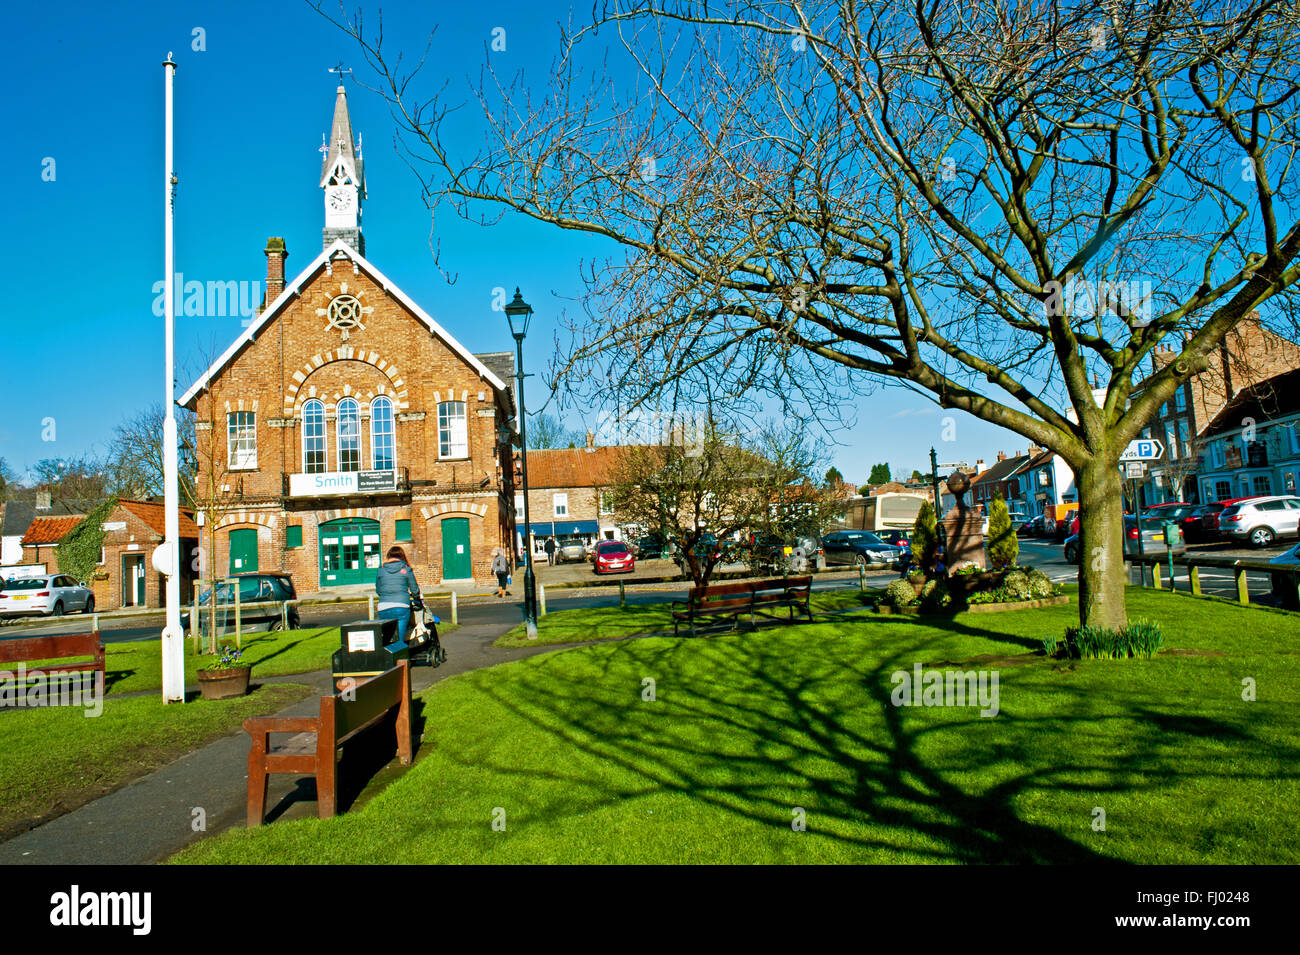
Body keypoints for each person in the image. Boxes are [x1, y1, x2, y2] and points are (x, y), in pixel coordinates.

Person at [375, 545, 421, 643]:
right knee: (400, 640)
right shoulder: (406, 569)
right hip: (401, 605)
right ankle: (402, 656)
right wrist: (417, 601)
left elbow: (378, 590)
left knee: (387, 640)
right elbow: (415, 590)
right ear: (402, 556)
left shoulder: (381, 569)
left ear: (389, 556)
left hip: (383, 606)